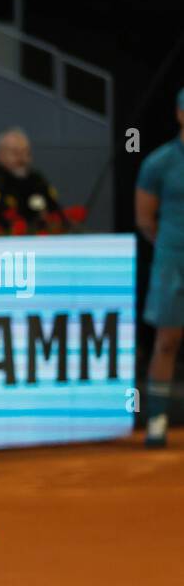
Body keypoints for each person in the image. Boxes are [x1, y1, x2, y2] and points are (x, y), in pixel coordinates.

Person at [135, 88, 184, 448]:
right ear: (180, 114)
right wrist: (170, 250)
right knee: (166, 341)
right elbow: (145, 219)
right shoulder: (159, 162)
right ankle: (156, 421)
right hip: (172, 261)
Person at [0, 127, 63, 230]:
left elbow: (57, 215)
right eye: (15, 153)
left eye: (26, 152)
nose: (21, 158)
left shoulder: (37, 181)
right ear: (0, 155)